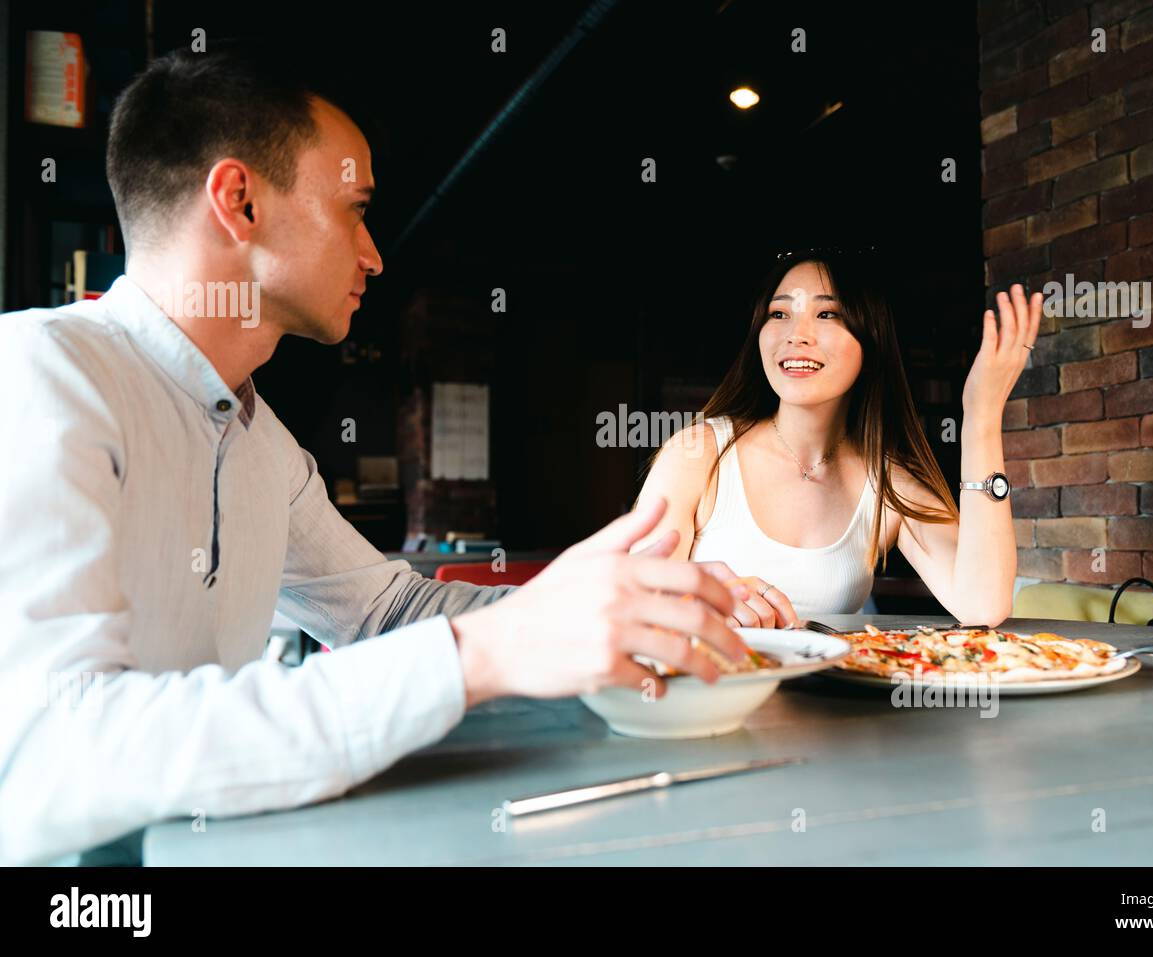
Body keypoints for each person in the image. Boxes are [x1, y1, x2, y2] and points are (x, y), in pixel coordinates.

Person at [0, 43, 763, 865]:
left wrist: (600, 598)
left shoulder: (262, 443)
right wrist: (482, 654)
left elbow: (384, 615)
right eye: (354, 209)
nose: (374, 254)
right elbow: (54, 748)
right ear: (239, 202)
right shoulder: (42, 373)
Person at [634, 248, 1042, 625]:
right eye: (779, 314)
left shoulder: (885, 484)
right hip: (707, 697)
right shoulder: (699, 455)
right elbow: (633, 595)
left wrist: (982, 418)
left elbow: (983, 605)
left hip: (825, 704)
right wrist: (701, 593)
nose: (797, 333)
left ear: (870, 341)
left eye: (827, 314)